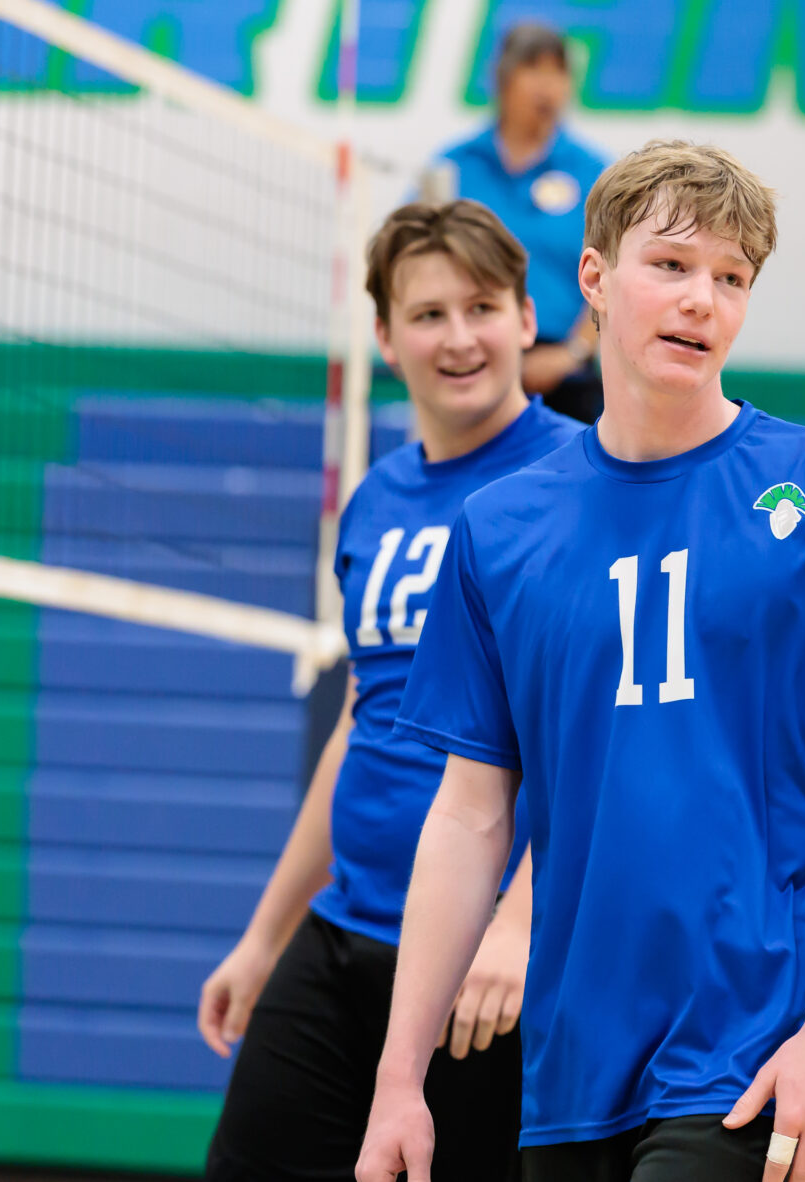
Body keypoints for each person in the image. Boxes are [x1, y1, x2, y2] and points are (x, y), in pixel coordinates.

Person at [355, 140, 805, 1182]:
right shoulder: (500, 529)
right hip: (572, 1066)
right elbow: (470, 811)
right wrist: (400, 1078)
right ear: (593, 277)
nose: (701, 302)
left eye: (731, 279)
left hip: (755, 1042)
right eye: (670, 266)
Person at [199, 200, 584, 1181]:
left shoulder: (578, 481)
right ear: (383, 336)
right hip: (344, 932)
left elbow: (594, 739)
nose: (458, 338)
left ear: (526, 320)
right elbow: (363, 728)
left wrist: (519, 918)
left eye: (482, 307)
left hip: (488, 965)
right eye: (427, 314)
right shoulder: (376, 498)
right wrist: (262, 937)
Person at [436, 23, 608, 423]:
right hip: (469, 361)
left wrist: (572, 354)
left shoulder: (593, 173)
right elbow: (409, 259)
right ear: (503, 80)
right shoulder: (456, 167)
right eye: (534, 70)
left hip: (565, 377)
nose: (547, 87)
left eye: (558, 72)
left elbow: (617, 276)